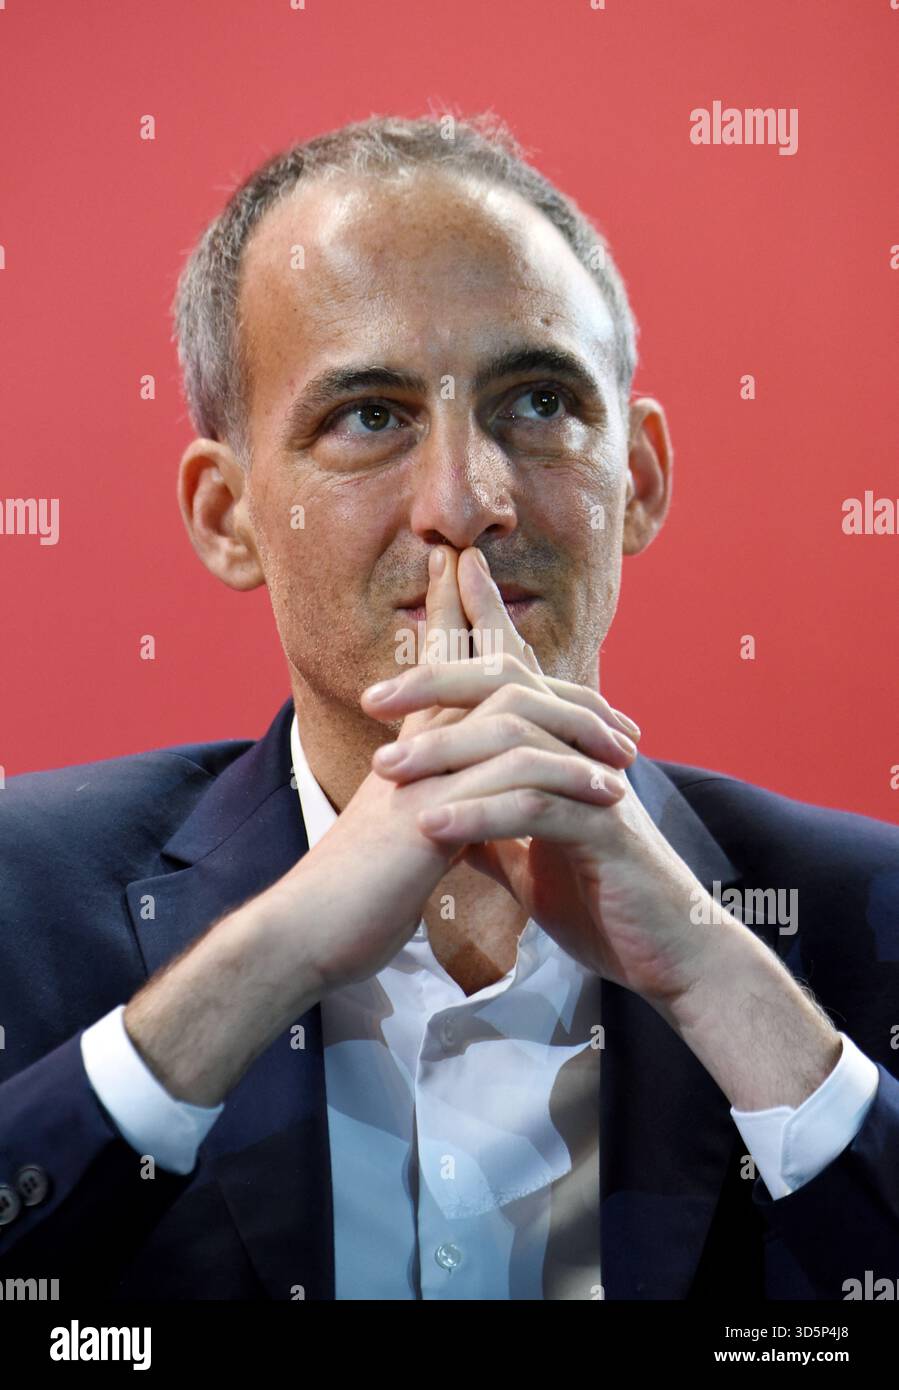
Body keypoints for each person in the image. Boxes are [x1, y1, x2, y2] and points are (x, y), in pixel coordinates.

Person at [1, 113, 897, 1301]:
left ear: (634, 480)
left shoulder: (868, 919)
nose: (466, 500)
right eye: (368, 418)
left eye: (535, 403)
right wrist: (267, 958)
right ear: (228, 516)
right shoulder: (19, 902)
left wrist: (712, 977)